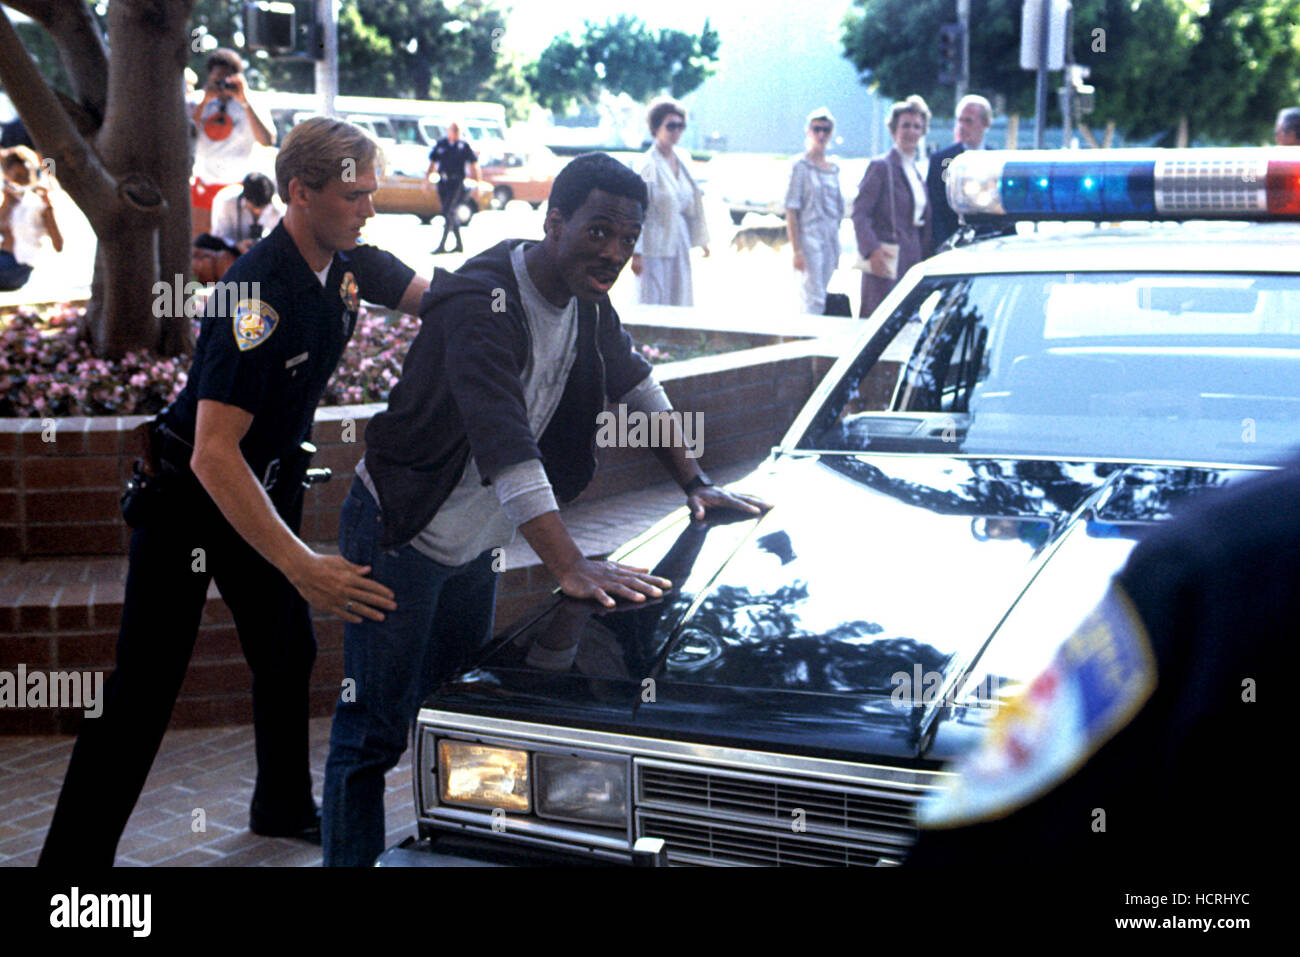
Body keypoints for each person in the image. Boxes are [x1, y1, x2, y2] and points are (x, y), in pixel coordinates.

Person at [321, 151, 768, 866]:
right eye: (598, 232)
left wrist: (697, 482)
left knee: (469, 720)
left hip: (476, 541)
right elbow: (503, 440)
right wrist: (570, 565)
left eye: (627, 238)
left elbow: (636, 382)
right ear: (554, 222)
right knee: (370, 731)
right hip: (400, 534)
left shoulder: (588, 296)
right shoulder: (481, 298)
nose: (614, 253)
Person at [39, 118, 429, 867]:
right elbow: (215, 457)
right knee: (143, 690)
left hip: (264, 487)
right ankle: (68, 871)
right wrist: (302, 564)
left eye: (372, 192)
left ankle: (280, 802)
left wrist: (513, 292)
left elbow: (438, 298)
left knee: (287, 649)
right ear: (300, 193)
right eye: (355, 195)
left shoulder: (352, 263)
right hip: (190, 499)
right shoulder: (253, 295)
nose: (369, 208)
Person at [906, 457, 1289, 873]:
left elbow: (981, 843)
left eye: (998, 526)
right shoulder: (1229, 548)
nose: (997, 527)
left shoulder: (1223, 552)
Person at [852, 95, 932, 318]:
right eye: (905, 125)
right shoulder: (881, 167)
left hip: (912, 257)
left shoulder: (917, 172)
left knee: (908, 320)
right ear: (894, 129)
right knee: (881, 319)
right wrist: (872, 250)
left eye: (917, 126)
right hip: (886, 256)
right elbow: (860, 213)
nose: (911, 131)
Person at [631, 98, 709, 306]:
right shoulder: (647, 164)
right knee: (653, 298)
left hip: (680, 239)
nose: (676, 131)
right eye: (671, 125)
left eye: (680, 125)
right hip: (653, 243)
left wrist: (702, 240)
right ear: (656, 127)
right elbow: (638, 207)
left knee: (681, 296)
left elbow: (693, 204)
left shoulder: (684, 159)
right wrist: (636, 252)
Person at [189, 48, 274, 238]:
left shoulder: (253, 102)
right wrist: (205, 101)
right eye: (218, 79)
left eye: (228, 79)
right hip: (205, 186)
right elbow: (186, 136)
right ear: (209, 77)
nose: (223, 85)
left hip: (238, 191)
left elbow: (267, 140)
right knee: (199, 246)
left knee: (234, 246)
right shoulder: (196, 101)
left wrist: (244, 101)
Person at [785, 108, 845, 316]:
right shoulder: (799, 166)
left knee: (823, 292)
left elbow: (839, 208)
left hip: (829, 237)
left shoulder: (834, 168)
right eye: (817, 129)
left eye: (826, 130)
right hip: (809, 237)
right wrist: (796, 250)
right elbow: (791, 210)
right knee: (813, 296)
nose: (821, 134)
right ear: (809, 131)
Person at [926, 94, 993, 254]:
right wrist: (943, 246)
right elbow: (935, 208)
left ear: (985, 123)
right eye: (959, 120)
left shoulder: (996, 160)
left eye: (968, 121)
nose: (962, 126)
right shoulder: (941, 160)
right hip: (953, 247)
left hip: (992, 245)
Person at [0, 145, 62, 291]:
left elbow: (58, 245)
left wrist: (48, 208)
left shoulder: (39, 203)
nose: (21, 183)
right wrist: (8, 202)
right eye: (16, 178)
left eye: (25, 177)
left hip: (18, 268)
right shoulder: (10, 201)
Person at [423, 122, 480, 255]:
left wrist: (477, 185)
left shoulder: (463, 146)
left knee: (448, 211)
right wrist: (426, 180)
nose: (453, 132)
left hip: (456, 182)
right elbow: (432, 162)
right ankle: (459, 244)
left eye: (456, 130)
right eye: (452, 130)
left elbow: (474, 166)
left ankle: (442, 245)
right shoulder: (442, 144)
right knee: (449, 212)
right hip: (443, 182)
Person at [209, 172, 285, 254]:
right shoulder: (226, 202)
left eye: (263, 207)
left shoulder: (277, 209)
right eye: (254, 207)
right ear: (245, 198)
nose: (258, 211)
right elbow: (219, 237)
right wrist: (236, 246)